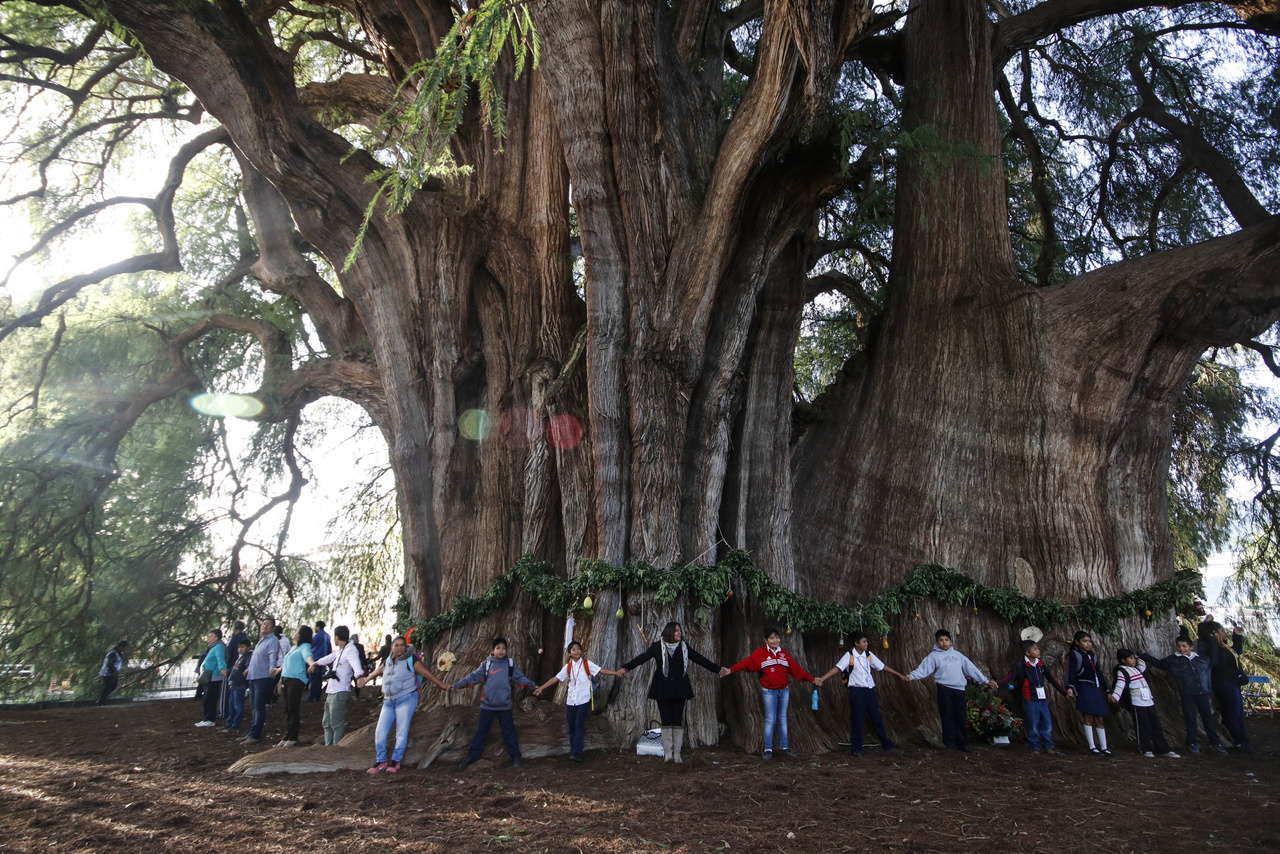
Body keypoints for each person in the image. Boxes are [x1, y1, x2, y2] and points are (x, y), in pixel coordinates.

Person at [619, 621, 722, 763]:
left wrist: (717, 669)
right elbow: (642, 658)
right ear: (669, 633)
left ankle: (677, 753)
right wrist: (626, 668)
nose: (680, 633)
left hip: (680, 689)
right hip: (662, 688)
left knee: (677, 719)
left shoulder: (684, 647)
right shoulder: (657, 647)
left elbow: (700, 659)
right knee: (666, 719)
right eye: (677, 631)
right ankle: (668, 753)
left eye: (680, 630)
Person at [357, 635, 449, 773]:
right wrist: (365, 680)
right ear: (392, 648)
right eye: (396, 645)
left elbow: (425, 673)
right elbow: (378, 671)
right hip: (388, 701)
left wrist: (441, 684)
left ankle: (396, 761)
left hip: (406, 699)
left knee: (401, 731)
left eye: (402, 645)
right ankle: (381, 761)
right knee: (380, 732)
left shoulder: (411, 659)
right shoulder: (388, 660)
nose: (400, 648)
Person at [722, 628, 818, 759]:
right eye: (772, 638)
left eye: (777, 637)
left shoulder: (783, 654)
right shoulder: (760, 654)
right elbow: (746, 663)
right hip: (769, 692)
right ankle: (768, 749)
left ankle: (785, 748)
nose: (775, 640)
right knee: (770, 719)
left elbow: (796, 669)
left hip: (784, 691)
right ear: (765, 640)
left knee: (782, 718)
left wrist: (811, 679)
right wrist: (730, 670)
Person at [904, 629, 999, 753]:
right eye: (941, 640)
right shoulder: (933, 656)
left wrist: (985, 681)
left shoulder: (958, 655)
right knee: (947, 715)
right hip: (944, 689)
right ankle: (950, 744)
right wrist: (911, 676)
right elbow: (924, 669)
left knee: (960, 716)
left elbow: (971, 669)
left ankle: (963, 743)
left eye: (946, 640)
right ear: (937, 643)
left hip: (959, 689)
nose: (944, 643)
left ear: (951, 642)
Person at [453, 637, 539, 769]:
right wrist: (458, 685)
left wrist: (532, 686)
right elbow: (473, 677)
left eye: (503, 648)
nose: (501, 651)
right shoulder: (487, 664)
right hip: (487, 705)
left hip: (504, 705)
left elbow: (519, 678)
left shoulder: (509, 664)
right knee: (480, 732)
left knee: (509, 732)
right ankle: (471, 757)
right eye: (498, 648)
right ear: (492, 650)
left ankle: (516, 756)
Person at [817, 631, 907, 758]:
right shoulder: (849, 656)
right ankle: (856, 749)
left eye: (866, 641)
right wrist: (822, 678)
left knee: (877, 718)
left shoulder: (868, 655)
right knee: (857, 720)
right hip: (857, 691)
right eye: (864, 642)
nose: (867, 644)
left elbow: (882, 666)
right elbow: (837, 668)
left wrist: (899, 675)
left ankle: (887, 746)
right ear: (856, 644)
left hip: (870, 690)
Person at [533, 640, 622, 762]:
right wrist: (541, 688)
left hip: (583, 700)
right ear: (569, 653)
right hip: (571, 701)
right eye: (573, 650)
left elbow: (601, 670)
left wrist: (615, 673)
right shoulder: (568, 667)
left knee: (579, 726)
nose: (576, 651)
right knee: (571, 727)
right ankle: (573, 749)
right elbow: (556, 678)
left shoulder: (586, 664)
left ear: (581, 651)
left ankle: (577, 753)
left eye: (578, 649)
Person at [1139, 635, 1225, 754]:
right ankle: (1192, 743)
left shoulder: (1201, 658)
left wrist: (1215, 642)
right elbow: (1159, 664)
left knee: (1207, 718)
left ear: (1191, 647)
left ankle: (1215, 742)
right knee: (1191, 718)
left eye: (1184, 646)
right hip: (1187, 694)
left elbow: (1214, 661)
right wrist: (1144, 656)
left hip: (1203, 693)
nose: (1181, 648)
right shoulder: (1173, 660)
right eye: (1179, 646)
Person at [996, 640, 1067, 755]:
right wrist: (998, 684)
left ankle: (1048, 746)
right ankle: (1035, 746)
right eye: (1035, 649)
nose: (1038, 651)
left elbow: (1052, 679)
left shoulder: (1040, 665)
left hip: (1042, 699)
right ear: (1028, 653)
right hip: (1029, 698)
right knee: (1032, 723)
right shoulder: (1021, 665)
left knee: (1046, 723)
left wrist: (1063, 692)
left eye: (1038, 649)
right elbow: (1010, 678)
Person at [1109, 649, 1180, 758]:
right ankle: (1145, 748)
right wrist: (1115, 697)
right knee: (1143, 725)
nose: (1133, 660)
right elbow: (1120, 685)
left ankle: (1163, 749)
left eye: (1133, 658)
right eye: (1131, 658)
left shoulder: (1136, 669)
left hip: (1148, 701)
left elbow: (1143, 665)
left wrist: (1139, 656)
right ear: (1123, 660)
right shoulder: (1122, 671)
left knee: (1156, 724)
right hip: (1137, 702)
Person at [1197, 621, 1255, 753]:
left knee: (1239, 714)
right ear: (1215, 633)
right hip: (1224, 684)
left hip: (1233, 683)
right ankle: (1239, 742)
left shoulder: (1222, 646)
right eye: (1222, 631)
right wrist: (1219, 645)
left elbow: (1236, 653)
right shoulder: (1213, 646)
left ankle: (1244, 741)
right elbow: (1218, 662)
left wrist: (1237, 637)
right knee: (1232, 714)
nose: (1224, 633)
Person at [309, 625, 364, 745]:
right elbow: (328, 658)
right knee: (326, 722)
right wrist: (315, 663)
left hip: (340, 691)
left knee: (336, 723)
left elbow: (356, 664)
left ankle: (336, 749)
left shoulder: (350, 650)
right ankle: (329, 747)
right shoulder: (341, 650)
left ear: (337, 637)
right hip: (332, 690)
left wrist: (359, 676)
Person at [1065, 631, 1111, 755]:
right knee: (1088, 716)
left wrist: (1107, 690)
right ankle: (1092, 746)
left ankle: (1104, 747)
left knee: (1099, 717)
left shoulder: (1092, 656)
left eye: (1089, 641)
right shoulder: (1074, 655)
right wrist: (1070, 687)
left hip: (1095, 688)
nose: (1088, 644)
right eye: (1085, 641)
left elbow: (1099, 673)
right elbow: (1071, 672)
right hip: (1084, 687)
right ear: (1077, 642)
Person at [270, 625, 313, 747]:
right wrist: (278, 670)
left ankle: (293, 738)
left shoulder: (305, 647)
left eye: (296, 631)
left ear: (300, 635)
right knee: (287, 709)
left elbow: (307, 657)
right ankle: (286, 736)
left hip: (296, 680)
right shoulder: (294, 647)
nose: (294, 633)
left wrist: (312, 664)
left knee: (293, 709)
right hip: (285, 678)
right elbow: (286, 661)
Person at [243, 618, 282, 745]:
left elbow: (273, 655)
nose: (265, 626)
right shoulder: (260, 641)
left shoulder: (272, 640)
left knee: (259, 707)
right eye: (263, 624)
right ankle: (252, 732)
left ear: (273, 628)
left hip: (263, 677)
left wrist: (272, 668)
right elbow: (255, 658)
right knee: (253, 706)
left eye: (268, 625)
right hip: (253, 676)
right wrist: (248, 669)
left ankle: (255, 735)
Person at [195, 628, 227, 727]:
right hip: (210, 675)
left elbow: (220, 659)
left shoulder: (218, 647)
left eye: (211, 636)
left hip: (214, 676)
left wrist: (222, 668)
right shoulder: (214, 647)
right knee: (207, 697)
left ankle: (209, 718)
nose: (209, 638)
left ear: (217, 637)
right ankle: (207, 718)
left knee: (209, 698)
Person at [223, 639, 252, 733]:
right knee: (231, 705)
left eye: (242, 647)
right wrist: (227, 671)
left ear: (248, 648)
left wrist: (246, 671)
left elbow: (248, 667)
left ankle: (236, 725)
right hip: (233, 684)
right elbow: (234, 669)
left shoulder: (247, 657)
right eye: (239, 647)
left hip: (239, 685)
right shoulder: (240, 658)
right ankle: (229, 724)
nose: (240, 649)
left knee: (237, 705)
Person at [223, 620, 249, 718]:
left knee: (229, 691)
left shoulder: (233, 638)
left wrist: (227, 666)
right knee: (238, 693)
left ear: (234, 628)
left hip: (232, 667)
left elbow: (229, 653)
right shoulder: (246, 638)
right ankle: (235, 714)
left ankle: (227, 713)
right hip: (241, 667)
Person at [307, 620, 331, 703]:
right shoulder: (327, 636)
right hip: (323, 660)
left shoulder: (317, 636)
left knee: (313, 679)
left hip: (315, 659)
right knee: (319, 679)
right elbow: (329, 649)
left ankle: (310, 697)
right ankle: (317, 697)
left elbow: (311, 645)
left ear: (318, 627)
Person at [97, 640, 128, 706]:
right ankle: (101, 701)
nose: (124, 649)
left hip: (113, 673)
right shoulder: (113, 653)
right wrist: (112, 671)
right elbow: (110, 663)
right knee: (108, 687)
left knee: (113, 686)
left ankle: (103, 700)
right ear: (120, 647)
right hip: (108, 673)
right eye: (123, 648)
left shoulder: (117, 653)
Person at [350, 633, 369, 699]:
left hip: (351, 666)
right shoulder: (361, 646)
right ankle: (356, 694)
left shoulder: (350, 647)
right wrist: (364, 664)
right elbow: (363, 656)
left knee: (349, 679)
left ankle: (350, 693)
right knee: (357, 680)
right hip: (359, 665)